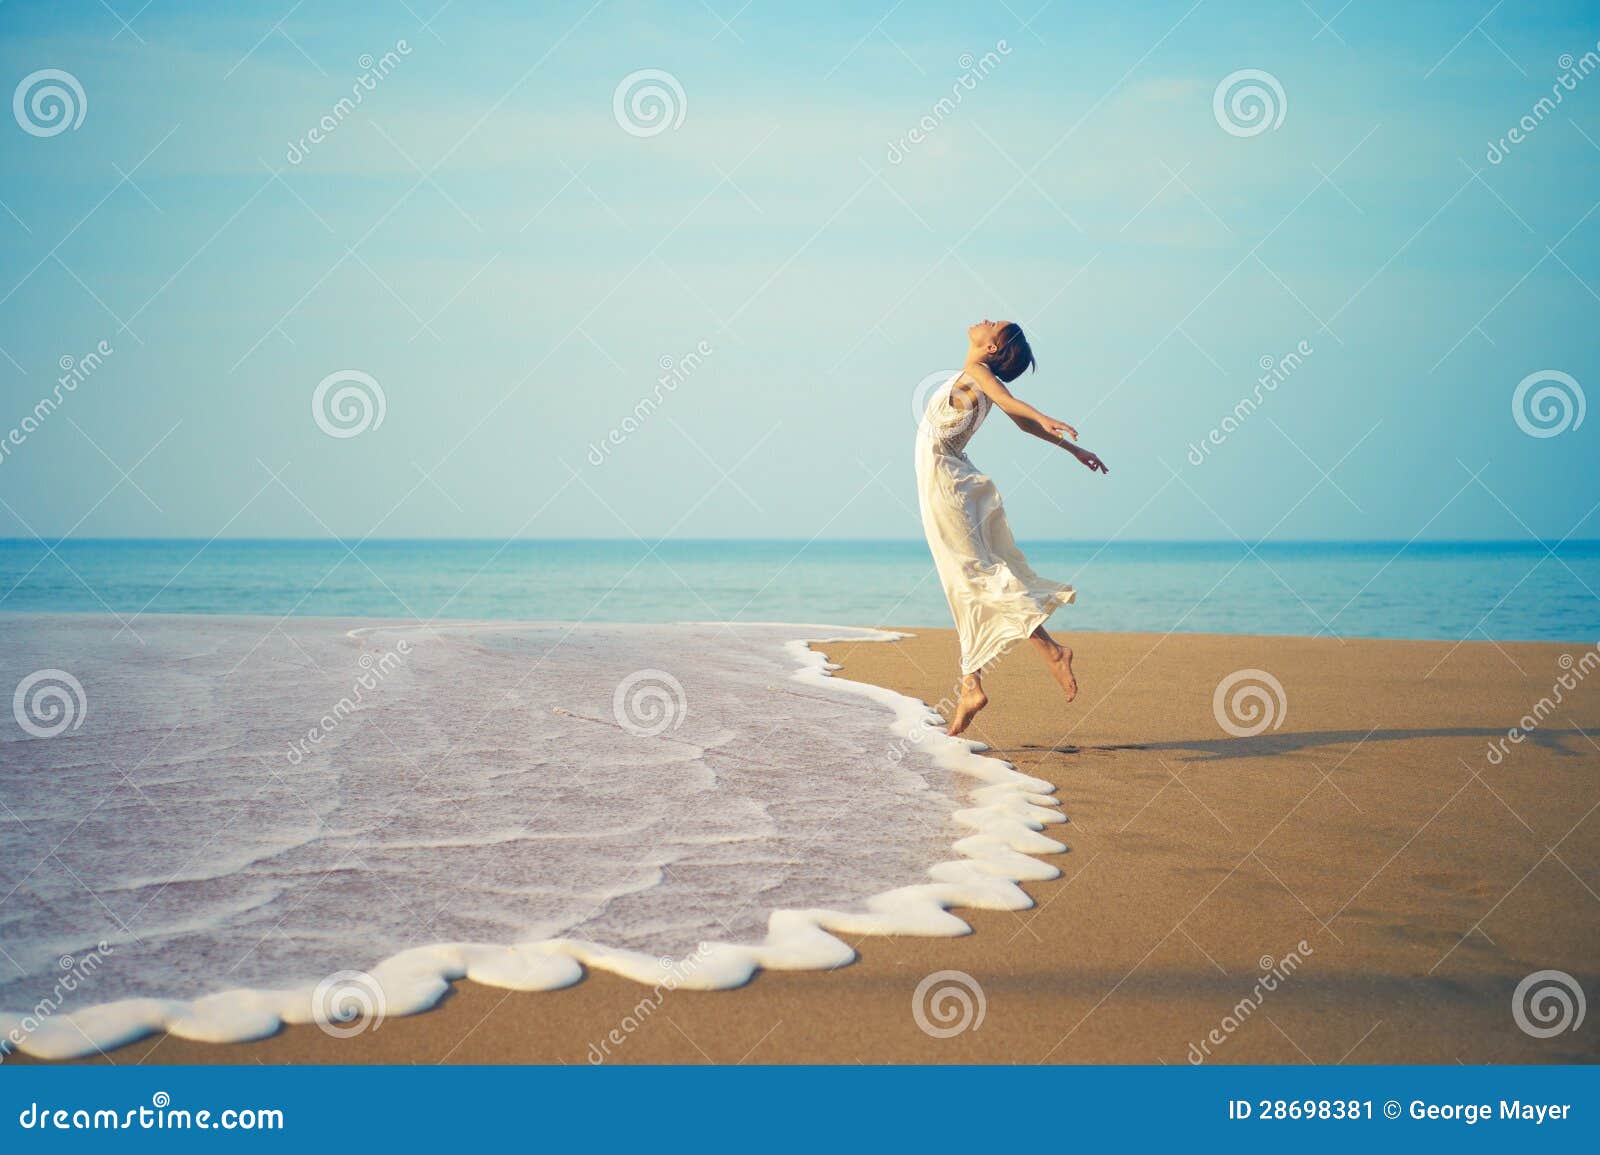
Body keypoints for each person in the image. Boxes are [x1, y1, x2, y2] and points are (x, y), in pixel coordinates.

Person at [915, 319, 1109, 735]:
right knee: (965, 582)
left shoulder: (981, 376)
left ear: (990, 346)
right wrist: (1072, 449)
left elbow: (1014, 406)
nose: (985, 320)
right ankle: (971, 683)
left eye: (994, 325)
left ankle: (1051, 652)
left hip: (945, 484)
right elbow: (1019, 419)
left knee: (975, 579)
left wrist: (1046, 417)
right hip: (950, 478)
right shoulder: (975, 378)